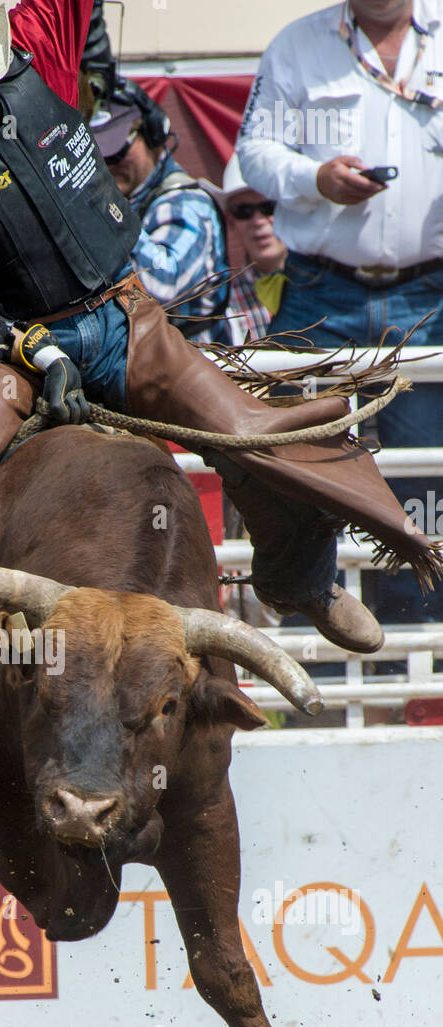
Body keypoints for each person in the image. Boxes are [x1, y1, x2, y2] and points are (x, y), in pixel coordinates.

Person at [0, 0, 440, 660]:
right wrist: (29, 348)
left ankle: (305, 583)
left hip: (125, 316)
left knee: (258, 432)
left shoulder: (38, 50)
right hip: (12, 344)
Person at [235, 0, 443, 632]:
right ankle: (309, 636)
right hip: (321, 289)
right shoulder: (297, 44)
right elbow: (254, 152)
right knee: (295, 462)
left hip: (429, 294)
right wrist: (313, 177)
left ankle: (418, 654)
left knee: (425, 476)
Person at [91, 82, 231, 343]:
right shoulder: (133, 201)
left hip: (201, 371)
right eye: (98, 155)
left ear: (154, 136)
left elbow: (163, 286)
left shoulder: (186, 203)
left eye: (117, 150)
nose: (107, 165)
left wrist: (108, 206)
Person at [200, 153, 287, 346]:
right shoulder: (220, 300)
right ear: (231, 221)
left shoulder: (325, 282)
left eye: (268, 207)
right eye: (244, 211)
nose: (257, 221)